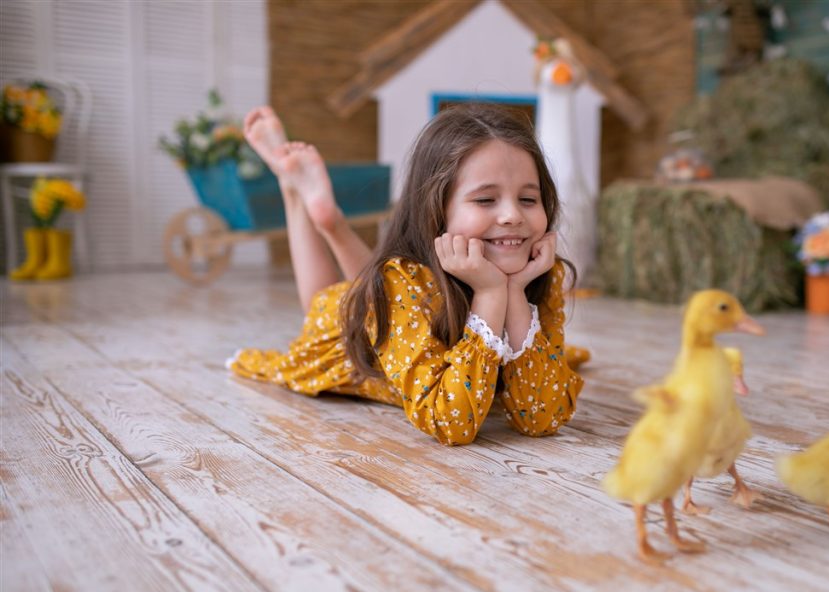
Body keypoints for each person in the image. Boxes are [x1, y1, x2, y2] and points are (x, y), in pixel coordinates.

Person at [227, 103, 588, 446]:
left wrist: (515, 293)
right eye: (485, 200)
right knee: (334, 306)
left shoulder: (541, 272)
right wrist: (491, 294)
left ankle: (330, 221)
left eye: (528, 199)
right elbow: (452, 423)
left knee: (377, 291)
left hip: (398, 306)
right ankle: (299, 197)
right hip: (349, 340)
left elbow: (542, 417)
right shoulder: (400, 281)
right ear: (436, 207)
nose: (513, 215)